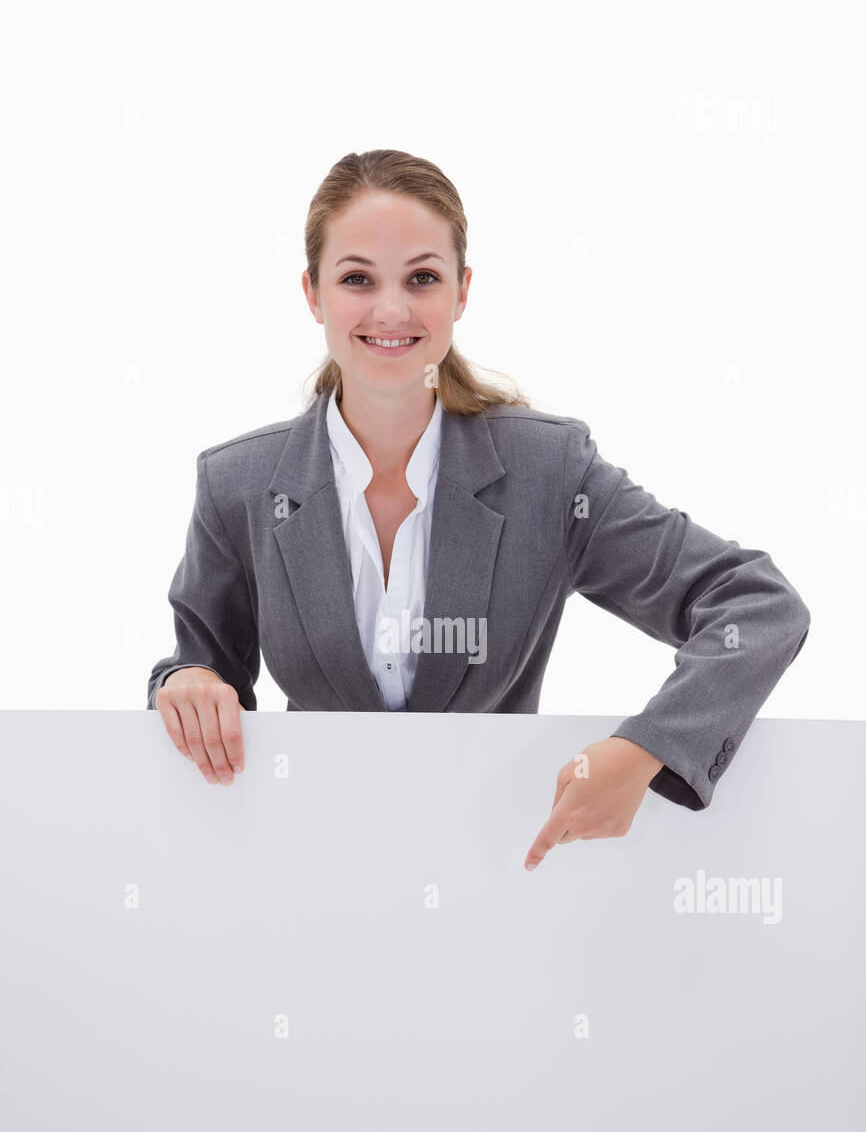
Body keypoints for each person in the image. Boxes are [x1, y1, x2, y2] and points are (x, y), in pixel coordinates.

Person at [147, 149, 810, 871]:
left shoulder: (547, 472)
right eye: (357, 278)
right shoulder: (238, 483)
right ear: (312, 293)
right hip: (311, 870)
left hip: (500, 873)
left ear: (462, 291)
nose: (391, 310)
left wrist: (649, 746)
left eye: (423, 278)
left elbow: (757, 606)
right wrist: (185, 683)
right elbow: (201, 669)